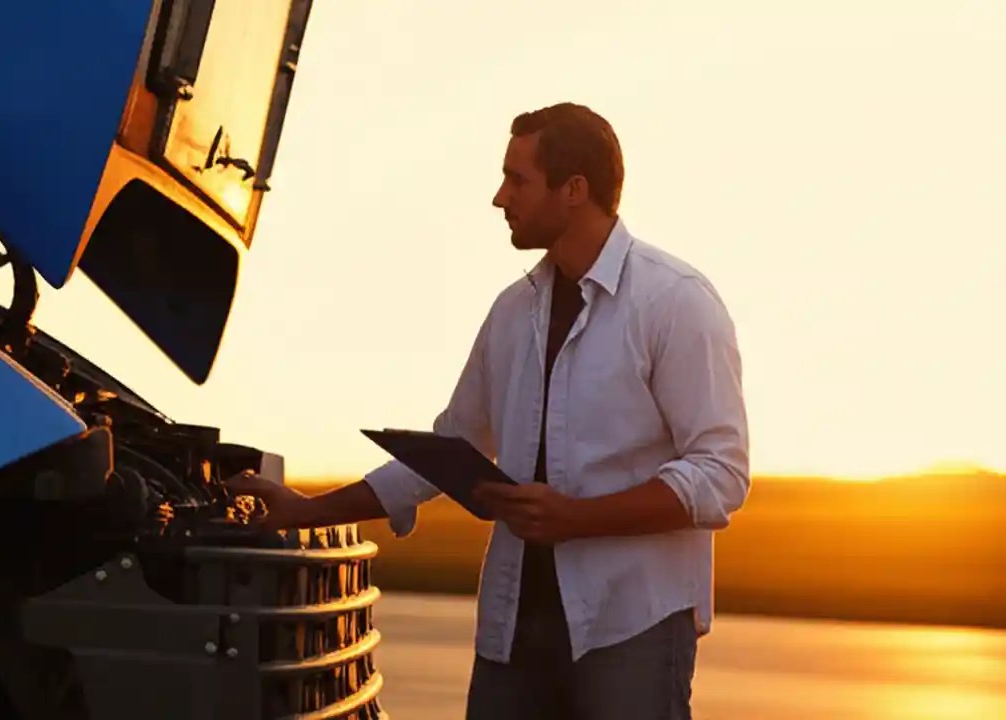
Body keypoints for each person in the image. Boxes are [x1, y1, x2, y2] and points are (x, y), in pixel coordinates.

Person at [227, 102, 750, 719]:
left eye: (517, 179)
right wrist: (310, 511)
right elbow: (450, 452)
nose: (500, 198)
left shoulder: (676, 302)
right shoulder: (511, 311)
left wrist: (576, 519)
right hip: (513, 632)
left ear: (575, 190)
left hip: (630, 626)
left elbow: (721, 475)